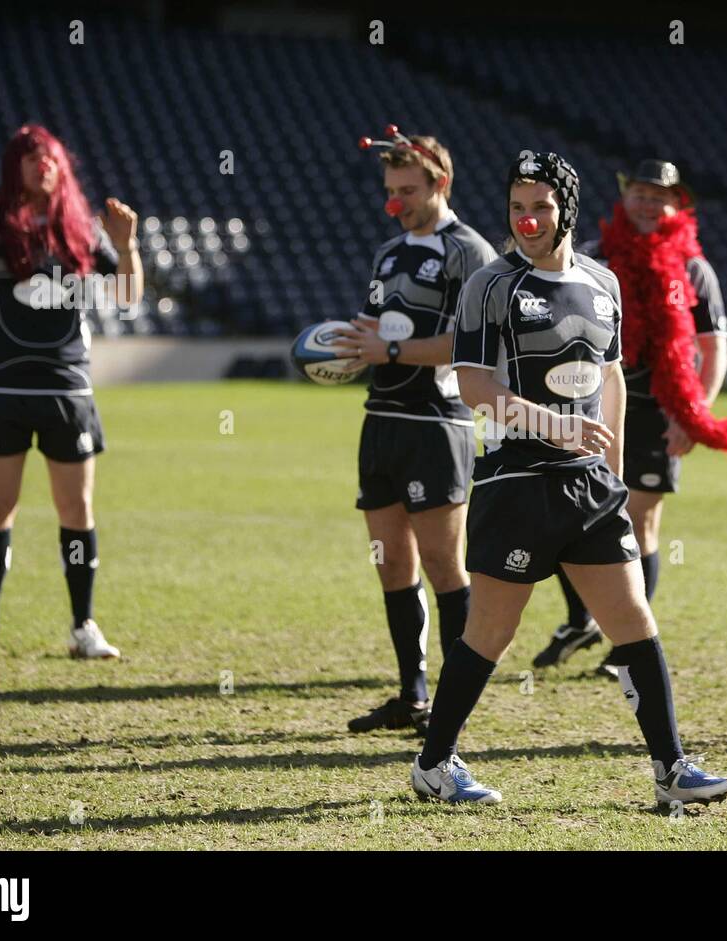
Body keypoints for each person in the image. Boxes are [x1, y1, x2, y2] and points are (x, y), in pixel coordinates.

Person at [408, 150, 727, 806]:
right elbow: (473, 385)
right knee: (490, 633)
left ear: (566, 209)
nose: (527, 219)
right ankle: (433, 763)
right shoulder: (490, 285)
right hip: (516, 484)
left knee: (633, 621)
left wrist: (611, 473)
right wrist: (554, 426)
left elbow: (611, 378)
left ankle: (671, 771)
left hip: (590, 490)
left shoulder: (601, 282)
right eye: (516, 207)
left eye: (540, 206)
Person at [0, 126, 142, 659]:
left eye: (51, 157)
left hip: (70, 390)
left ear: (63, 167)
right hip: (6, 389)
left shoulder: (81, 234)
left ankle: (84, 626)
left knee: (77, 508)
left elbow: (129, 296)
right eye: (31, 157)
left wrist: (126, 246)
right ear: (14, 166)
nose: (42, 164)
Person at [530, 159, 727, 677]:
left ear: (678, 205)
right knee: (568, 516)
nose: (649, 203)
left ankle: (625, 644)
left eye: (660, 196)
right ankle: (584, 617)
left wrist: (693, 414)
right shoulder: (593, 257)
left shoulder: (694, 268)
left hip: (657, 411)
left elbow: (712, 349)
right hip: (591, 404)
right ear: (625, 198)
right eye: (640, 194)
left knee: (637, 519)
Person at [333, 127, 497, 735]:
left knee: (442, 563)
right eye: (390, 190)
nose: (396, 201)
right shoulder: (388, 251)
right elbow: (376, 329)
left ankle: (456, 705)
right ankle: (413, 695)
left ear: (440, 183)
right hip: (381, 422)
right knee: (390, 563)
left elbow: (467, 345)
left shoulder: (470, 252)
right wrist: (351, 349)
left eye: (408, 190)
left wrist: (391, 348)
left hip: (437, 425)